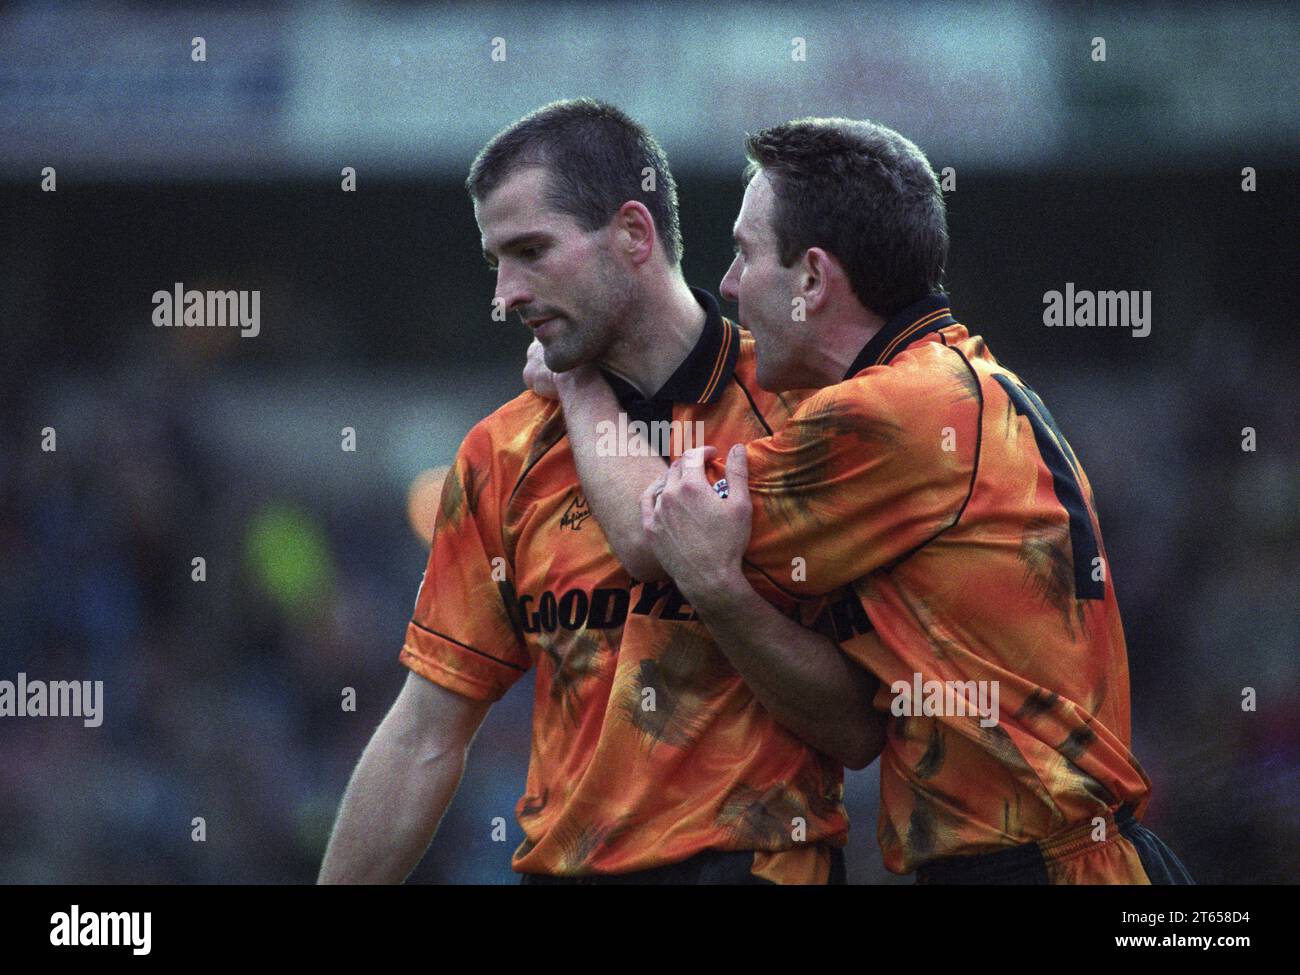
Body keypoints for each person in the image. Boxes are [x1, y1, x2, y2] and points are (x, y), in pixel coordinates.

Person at [531, 116, 1194, 884]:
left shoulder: (891, 414)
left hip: (1040, 868)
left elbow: (662, 529)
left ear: (812, 280)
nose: (732, 285)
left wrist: (576, 372)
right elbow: (854, 730)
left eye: (746, 252)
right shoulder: (959, 380)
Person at [318, 100, 886, 886]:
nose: (506, 294)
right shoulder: (501, 454)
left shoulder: (801, 410)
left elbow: (857, 727)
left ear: (632, 234)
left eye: (531, 252)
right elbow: (424, 734)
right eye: (496, 263)